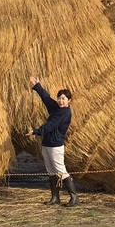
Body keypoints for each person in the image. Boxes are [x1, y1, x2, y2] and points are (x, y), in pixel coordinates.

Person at [24, 75, 79, 207]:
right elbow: (47, 99)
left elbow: (51, 125)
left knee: (61, 171)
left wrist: (36, 132)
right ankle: (55, 197)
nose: (60, 101)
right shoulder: (57, 108)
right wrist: (38, 86)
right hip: (47, 144)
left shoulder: (64, 113)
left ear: (69, 101)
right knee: (51, 171)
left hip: (56, 146)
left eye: (63, 99)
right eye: (59, 98)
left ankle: (74, 197)